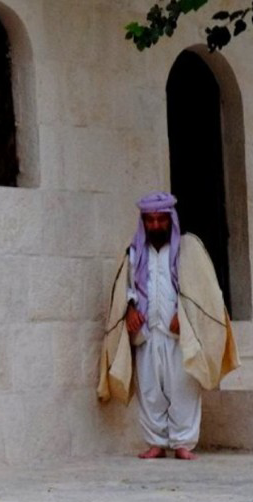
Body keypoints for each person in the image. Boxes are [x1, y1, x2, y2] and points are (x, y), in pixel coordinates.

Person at [100, 192, 239, 459]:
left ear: (169, 220)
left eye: (159, 220)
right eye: (149, 220)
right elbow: (127, 287)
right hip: (146, 333)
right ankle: (156, 442)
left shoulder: (188, 249)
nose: (154, 226)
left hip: (179, 333)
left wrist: (185, 314)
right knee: (150, 390)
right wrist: (129, 309)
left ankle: (183, 443)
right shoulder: (134, 251)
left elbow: (202, 289)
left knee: (183, 388)